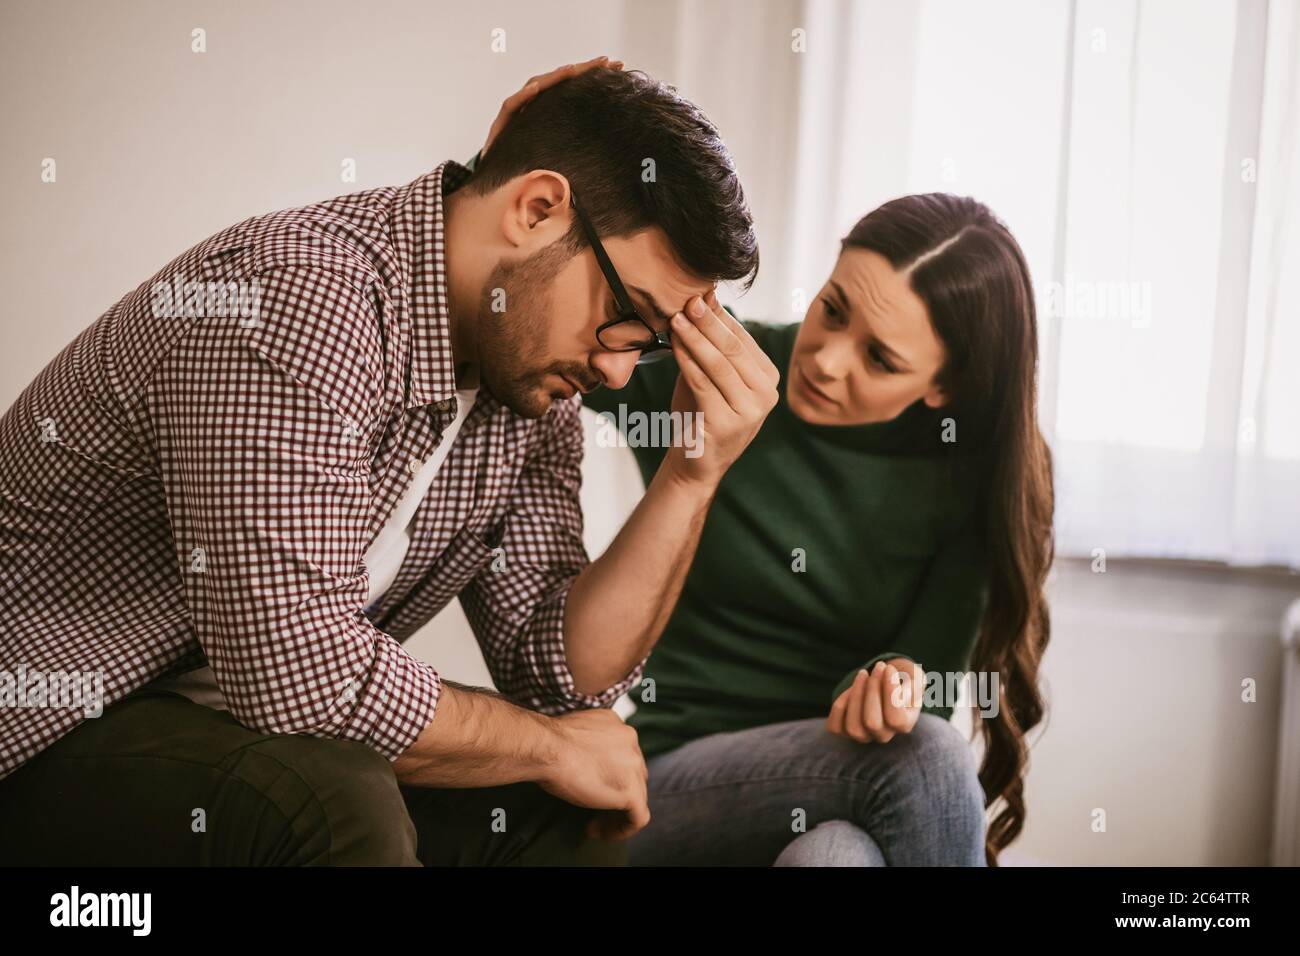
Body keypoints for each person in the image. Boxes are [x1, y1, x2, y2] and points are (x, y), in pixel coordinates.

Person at [0, 59, 781, 865]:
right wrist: (552, 747)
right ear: (537, 208)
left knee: (561, 808)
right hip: (47, 734)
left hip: (226, 744)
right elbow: (295, 676)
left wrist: (691, 474)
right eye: (627, 317)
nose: (619, 371)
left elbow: (561, 679)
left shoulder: (529, 387)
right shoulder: (305, 297)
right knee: (332, 792)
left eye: (647, 348)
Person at [581, 196, 1055, 865]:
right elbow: (542, 320)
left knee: (835, 857)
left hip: (840, 791)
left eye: (880, 359)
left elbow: (932, 682)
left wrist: (888, 688)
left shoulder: (969, 480)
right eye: (832, 309)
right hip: (669, 788)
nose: (827, 360)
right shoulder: (721, 370)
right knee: (928, 759)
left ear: (945, 388)